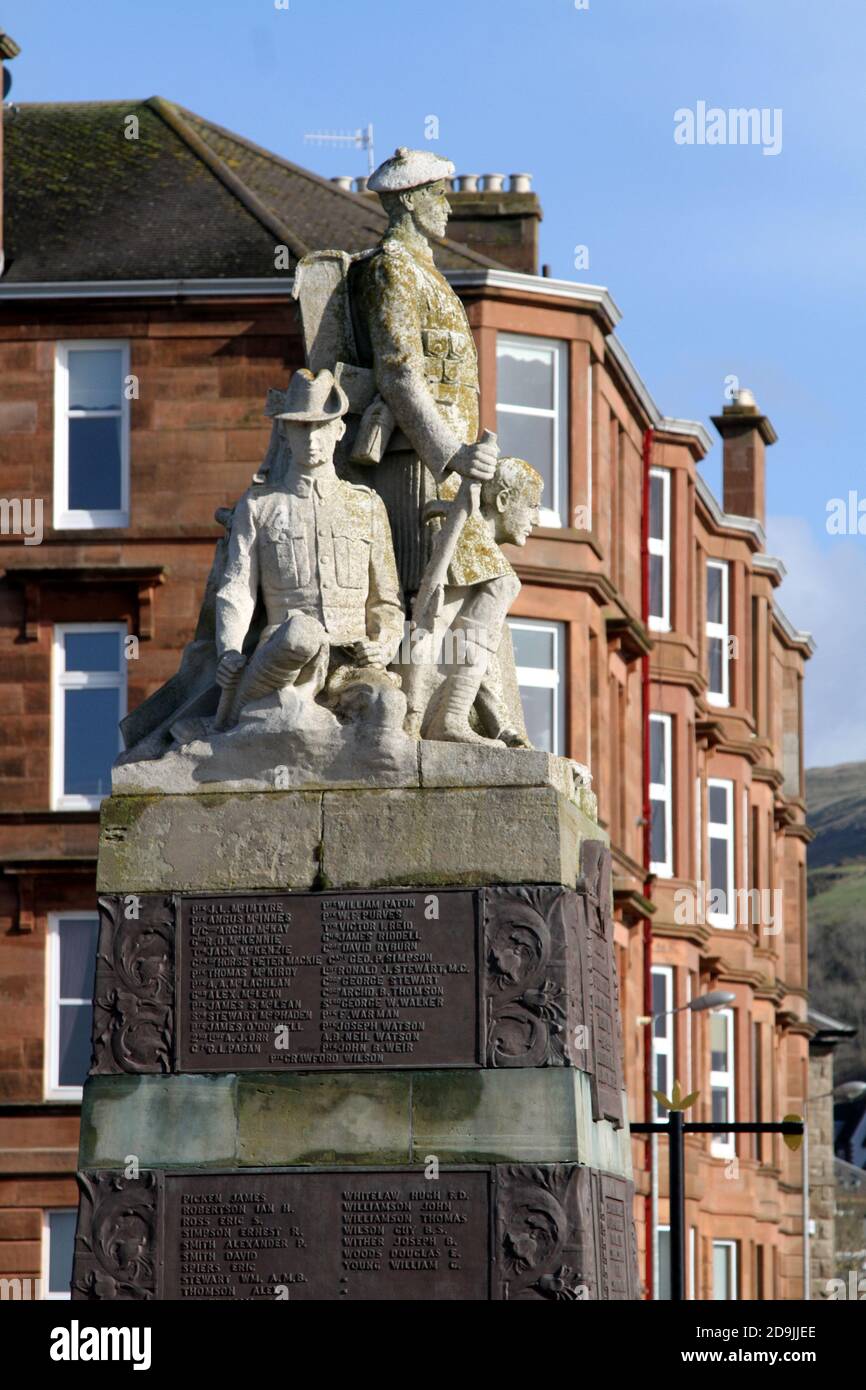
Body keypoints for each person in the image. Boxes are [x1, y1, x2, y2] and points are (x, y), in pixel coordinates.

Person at [214, 368, 404, 728]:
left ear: (339, 430)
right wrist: (229, 651)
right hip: (285, 658)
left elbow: (387, 600)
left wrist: (385, 644)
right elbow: (238, 590)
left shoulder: (365, 507)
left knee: (388, 705)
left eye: (321, 426)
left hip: (349, 663)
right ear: (285, 432)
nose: (312, 437)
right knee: (304, 633)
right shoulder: (258, 506)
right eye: (301, 426)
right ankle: (273, 708)